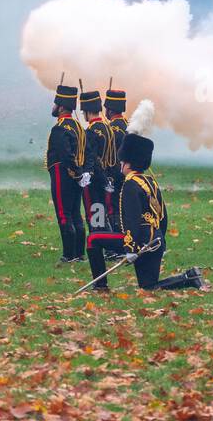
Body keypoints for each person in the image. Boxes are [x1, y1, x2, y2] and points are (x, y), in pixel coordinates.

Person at [84, 118, 205, 292]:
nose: (120, 164)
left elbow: (132, 219)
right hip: (155, 242)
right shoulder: (150, 181)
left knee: (93, 239)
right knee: (148, 287)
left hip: (139, 241)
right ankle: (188, 277)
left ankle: (100, 286)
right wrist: (162, 241)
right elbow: (162, 215)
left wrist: (130, 248)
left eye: (122, 161)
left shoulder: (130, 184)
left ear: (128, 163)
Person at [45, 83, 87, 263]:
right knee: (76, 214)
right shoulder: (78, 126)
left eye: (55, 103)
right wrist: (81, 174)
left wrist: (75, 172)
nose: (53, 107)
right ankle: (79, 253)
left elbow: (65, 155)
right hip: (77, 177)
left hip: (63, 175)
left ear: (61, 107)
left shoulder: (59, 128)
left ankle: (69, 255)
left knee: (64, 214)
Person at [79, 88, 118, 233]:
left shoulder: (90, 132)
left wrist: (90, 175)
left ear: (87, 111)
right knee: (102, 212)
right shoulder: (108, 128)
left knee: (94, 215)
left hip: (95, 180)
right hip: (108, 178)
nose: (83, 114)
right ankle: (108, 247)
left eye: (83, 112)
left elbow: (93, 160)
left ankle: (98, 246)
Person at [104, 86, 129, 230]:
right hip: (127, 175)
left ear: (110, 110)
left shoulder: (110, 129)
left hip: (113, 177)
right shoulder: (129, 126)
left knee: (112, 211)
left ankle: (115, 243)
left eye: (106, 108)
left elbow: (107, 156)